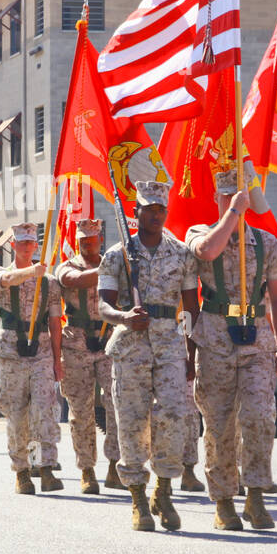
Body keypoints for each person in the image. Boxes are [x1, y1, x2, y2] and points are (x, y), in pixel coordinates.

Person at [185, 168, 277, 531]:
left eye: (238, 195)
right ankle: (224, 500)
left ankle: (255, 495)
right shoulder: (199, 233)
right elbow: (207, 250)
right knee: (219, 425)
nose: (233, 201)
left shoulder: (266, 242)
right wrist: (233, 213)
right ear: (217, 199)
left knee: (260, 417)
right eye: (226, 196)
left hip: (257, 340)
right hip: (215, 341)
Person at [97, 181, 200, 532]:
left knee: (173, 414)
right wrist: (124, 317)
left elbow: (191, 306)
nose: (156, 215)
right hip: (131, 347)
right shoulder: (118, 254)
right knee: (131, 420)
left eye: (161, 209)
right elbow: (103, 305)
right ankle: (138, 498)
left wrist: (190, 350)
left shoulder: (181, 254)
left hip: (170, 343)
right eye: (149, 209)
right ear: (136, 212)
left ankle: (164, 490)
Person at [49, 218, 122, 494]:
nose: (87, 245)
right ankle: (87, 470)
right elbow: (75, 280)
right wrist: (112, 267)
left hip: (107, 341)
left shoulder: (115, 265)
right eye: (83, 241)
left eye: (92, 240)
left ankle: (114, 465)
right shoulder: (67, 267)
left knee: (117, 404)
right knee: (81, 410)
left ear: (100, 240)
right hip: (76, 344)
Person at [0, 224, 61, 492]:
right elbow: (6, 281)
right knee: (17, 415)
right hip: (11, 353)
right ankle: (21, 471)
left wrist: (58, 360)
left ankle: (45, 467)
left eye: (31, 243)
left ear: (36, 246)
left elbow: (55, 322)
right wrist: (32, 272)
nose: (27, 247)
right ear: (13, 245)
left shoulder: (49, 282)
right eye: (22, 242)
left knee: (44, 409)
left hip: (41, 351)